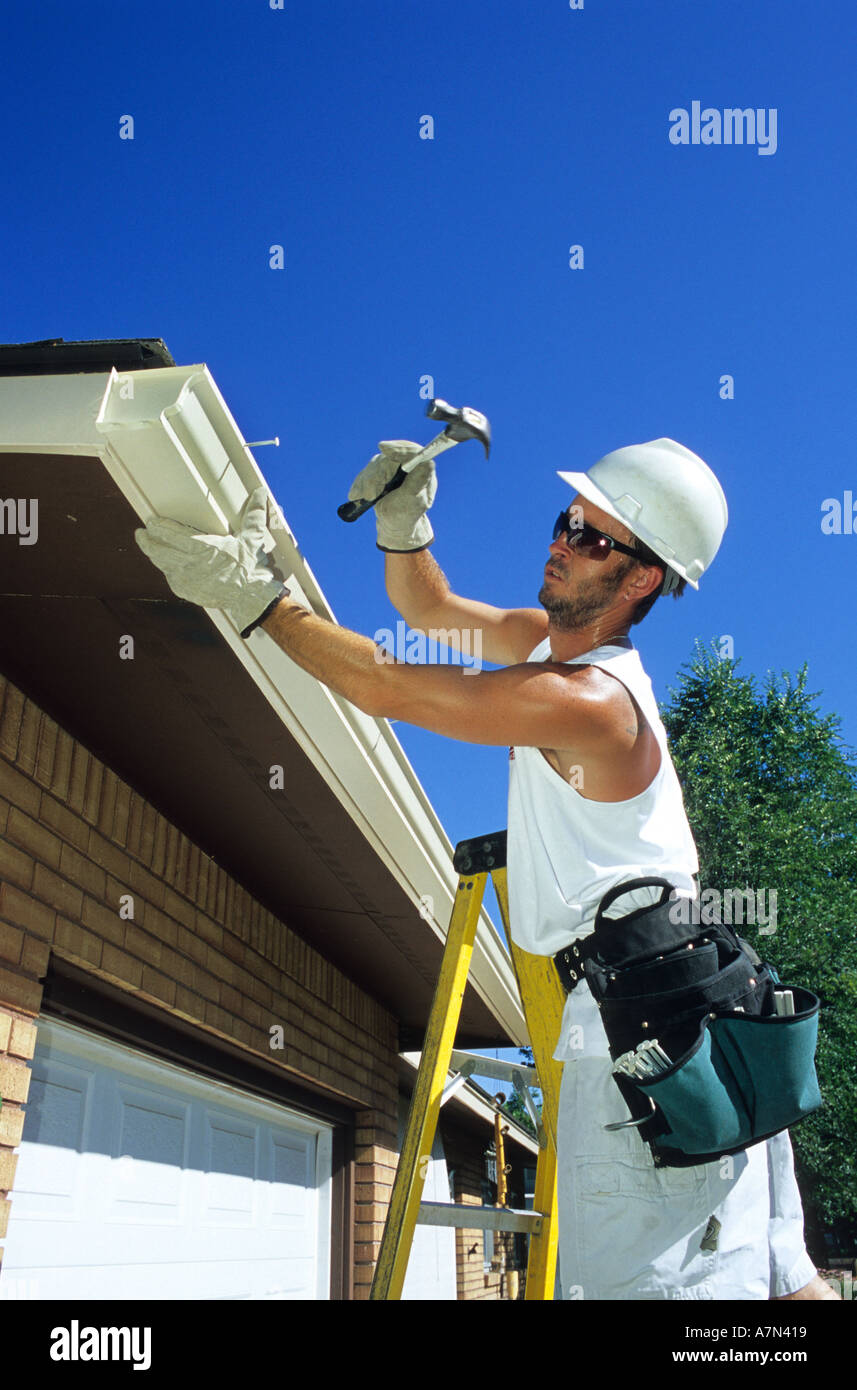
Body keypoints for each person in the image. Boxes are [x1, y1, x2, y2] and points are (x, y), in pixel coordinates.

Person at [135, 433, 835, 1301]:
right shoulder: (550, 648)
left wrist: (262, 605)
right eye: (567, 519)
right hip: (700, 1001)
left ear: (641, 578)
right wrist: (403, 525)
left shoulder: (590, 705)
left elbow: (399, 690)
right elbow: (432, 613)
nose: (561, 539)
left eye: (592, 538)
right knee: (785, 1280)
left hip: (643, 1021)